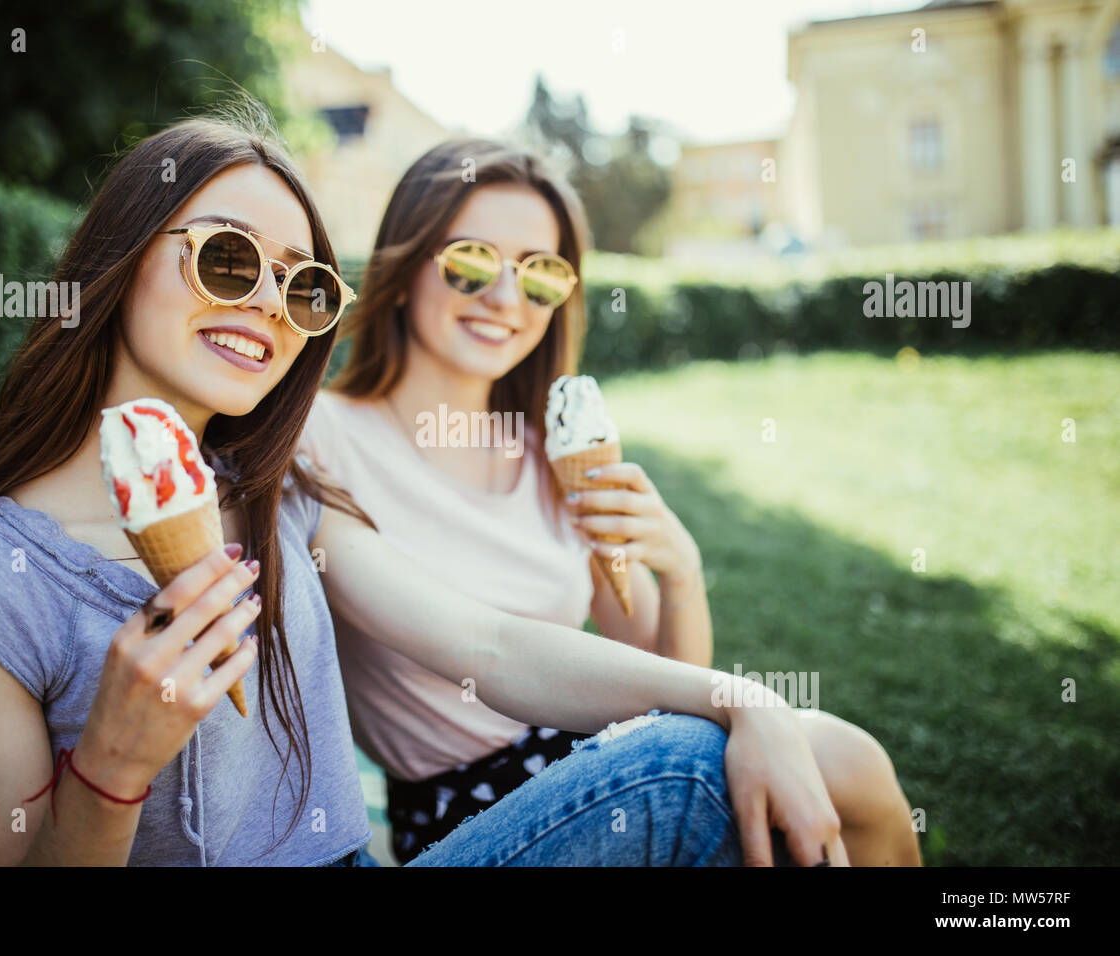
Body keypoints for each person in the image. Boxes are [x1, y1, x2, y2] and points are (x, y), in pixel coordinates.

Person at [0, 105, 845, 867]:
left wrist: (741, 699)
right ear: (122, 260)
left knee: (727, 761)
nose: (267, 302)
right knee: (688, 772)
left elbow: (491, 644)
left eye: (303, 288)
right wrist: (113, 765)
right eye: (228, 259)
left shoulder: (277, 495)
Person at [301, 139, 921, 865]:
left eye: (541, 273)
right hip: (467, 809)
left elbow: (662, 676)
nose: (506, 298)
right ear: (404, 270)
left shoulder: (553, 452)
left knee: (839, 786)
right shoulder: (323, 439)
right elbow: (493, 647)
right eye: (470, 260)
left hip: (605, 754)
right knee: (842, 764)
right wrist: (748, 701)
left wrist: (682, 572)